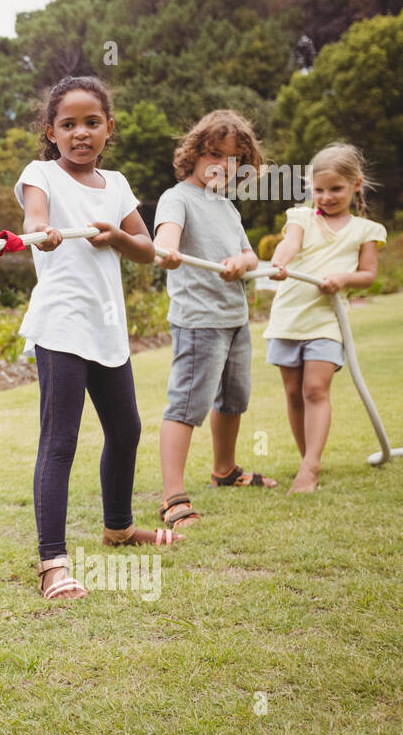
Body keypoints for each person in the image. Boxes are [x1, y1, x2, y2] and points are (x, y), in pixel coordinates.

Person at [14, 76, 179, 604]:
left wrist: (118, 236)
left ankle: (119, 528)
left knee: (126, 429)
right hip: (62, 325)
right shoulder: (40, 174)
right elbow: (34, 217)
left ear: (110, 127)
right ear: (51, 131)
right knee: (60, 440)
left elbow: (148, 250)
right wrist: (44, 229)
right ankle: (52, 564)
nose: (80, 133)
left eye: (91, 123)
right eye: (68, 125)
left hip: (107, 326)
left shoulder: (118, 185)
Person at [152, 109, 276, 531]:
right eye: (214, 154)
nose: (224, 165)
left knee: (234, 398)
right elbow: (166, 236)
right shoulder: (177, 198)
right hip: (198, 320)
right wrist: (165, 248)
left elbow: (250, 254)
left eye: (234, 158)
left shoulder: (226, 206)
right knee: (187, 405)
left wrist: (241, 261)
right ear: (194, 153)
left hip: (235, 317)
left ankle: (225, 469)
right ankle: (172, 498)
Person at [265, 143, 386, 494]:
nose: (327, 197)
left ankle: (311, 468)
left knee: (315, 389)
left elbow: (367, 275)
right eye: (319, 190)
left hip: (326, 321)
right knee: (293, 394)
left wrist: (343, 279)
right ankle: (307, 458)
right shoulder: (301, 217)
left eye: (336, 189)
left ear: (355, 185)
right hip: (288, 316)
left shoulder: (366, 229)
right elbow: (289, 245)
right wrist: (279, 261)